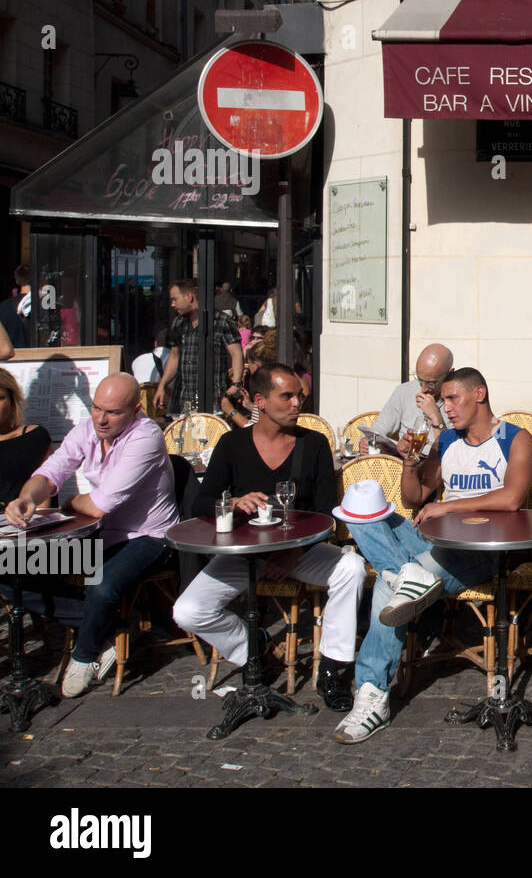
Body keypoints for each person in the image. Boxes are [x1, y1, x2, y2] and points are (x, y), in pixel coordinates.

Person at [332, 367, 532, 744]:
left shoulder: (514, 439)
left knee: (387, 589)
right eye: (443, 400)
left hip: (481, 551)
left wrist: (449, 509)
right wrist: (409, 461)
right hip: (434, 545)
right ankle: (408, 575)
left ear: (479, 394)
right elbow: (414, 497)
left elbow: (512, 499)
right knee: (362, 512)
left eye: (453, 398)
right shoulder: (446, 442)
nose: (446, 407)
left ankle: (372, 695)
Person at [173, 363, 366, 713]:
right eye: (287, 396)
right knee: (188, 610)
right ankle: (251, 647)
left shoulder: (314, 444)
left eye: (299, 396)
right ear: (260, 401)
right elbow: (200, 502)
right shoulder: (232, 444)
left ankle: (335, 671)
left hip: (300, 552)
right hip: (246, 554)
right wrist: (230, 501)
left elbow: (326, 511)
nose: (297, 404)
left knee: (351, 568)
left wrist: (293, 555)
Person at [2, 374, 177, 697]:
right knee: (8, 568)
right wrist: (27, 497)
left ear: (136, 410)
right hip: (100, 536)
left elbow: (99, 505)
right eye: (96, 408)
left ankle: (84, 657)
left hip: (149, 536)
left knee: (102, 584)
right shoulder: (88, 429)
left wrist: (69, 501)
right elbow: (52, 471)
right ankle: (113, 625)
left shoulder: (146, 436)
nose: (101, 418)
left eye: (112, 412)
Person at [153, 278, 243, 415]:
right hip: (185, 398)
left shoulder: (221, 320)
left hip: (214, 397)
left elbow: (236, 353)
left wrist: (236, 383)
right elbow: (174, 357)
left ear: (189, 297)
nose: (172, 304)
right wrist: (162, 385)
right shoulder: (178, 323)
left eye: (175, 299)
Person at [362, 343, 454, 451]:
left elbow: (453, 454)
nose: (423, 389)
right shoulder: (404, 391)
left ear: (449, 374)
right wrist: (365, 442)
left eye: (431, 383)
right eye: (419, 379)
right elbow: (378, 429)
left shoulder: (457, 401)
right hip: (404, 462)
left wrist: (436, 416)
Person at [0, 370, 51, 510]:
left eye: (0, 398)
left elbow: (44, 490)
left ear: (12, 400)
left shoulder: (34, 437)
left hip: (22, 527)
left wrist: (37, 529)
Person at [0, 264, 30, 349]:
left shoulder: (3, 308)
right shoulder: (45, 306)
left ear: (17, 281)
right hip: (38, 356)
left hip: (12, 359)